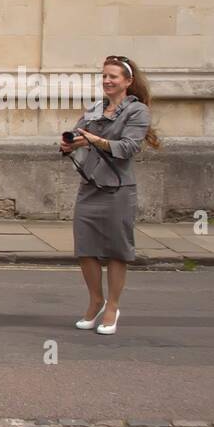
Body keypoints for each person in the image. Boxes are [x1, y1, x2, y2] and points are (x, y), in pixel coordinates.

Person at [60, 55, 160, 336]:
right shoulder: (94, 109)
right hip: (90, 186)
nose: (107, 80)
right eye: (104, 75)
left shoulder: (137, 112)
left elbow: (128, 148)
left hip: (118, 190)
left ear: (128, 81)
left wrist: (93, 139)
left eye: (113, 76)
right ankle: (95, 301)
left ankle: (113, 306)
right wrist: (69, 145)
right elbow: (79, 136)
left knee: (117, 250)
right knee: (85, 248)